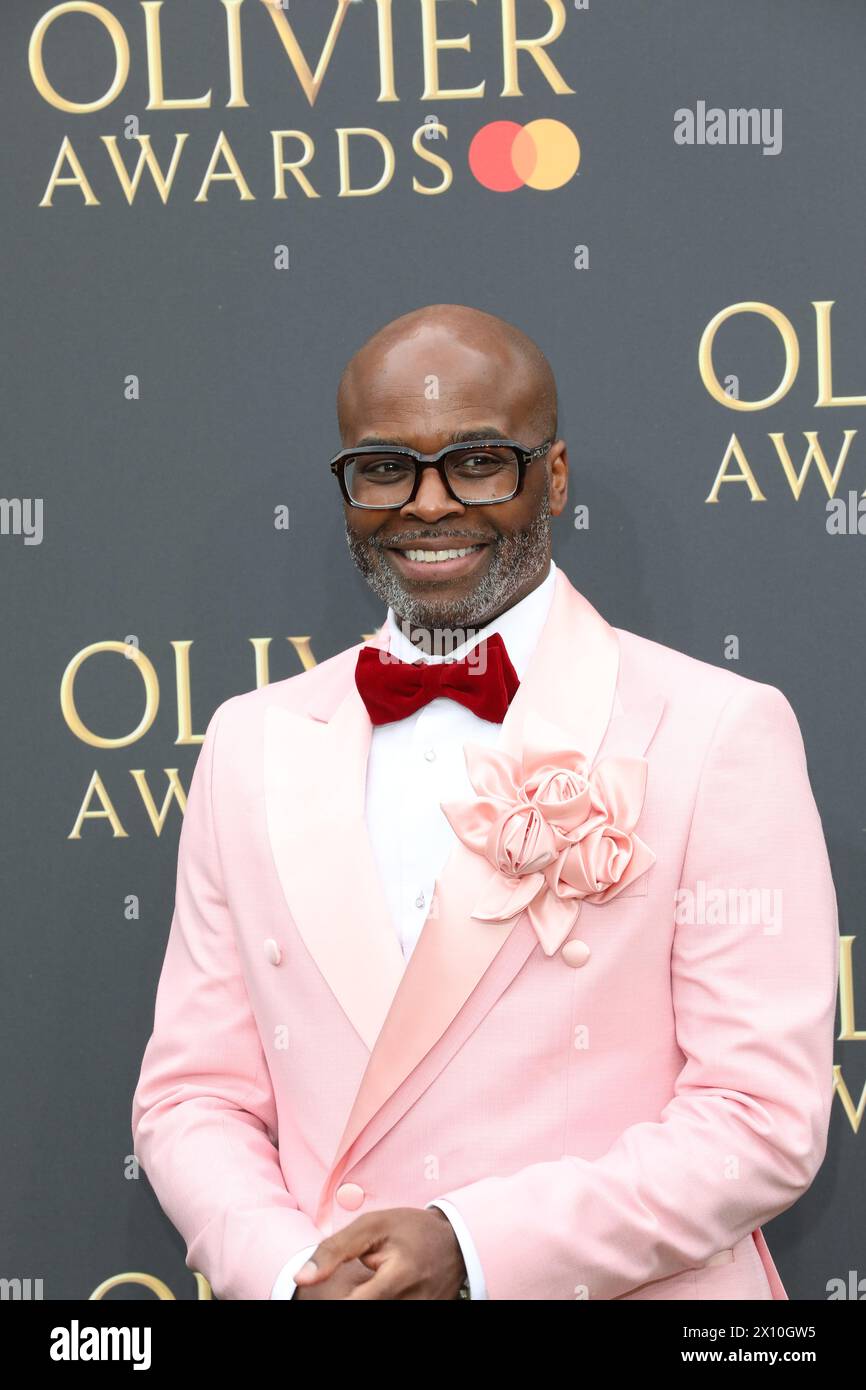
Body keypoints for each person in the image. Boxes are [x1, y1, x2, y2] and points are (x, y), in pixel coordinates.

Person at [131, 304, 839, 1300]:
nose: (426, 505)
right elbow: (196, 1093)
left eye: (474, 461)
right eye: (383, 467)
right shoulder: (249, 745)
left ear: (550, 475)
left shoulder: (716, 729)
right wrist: (291, 1269)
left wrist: (471, 1246)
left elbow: (758, 1116)